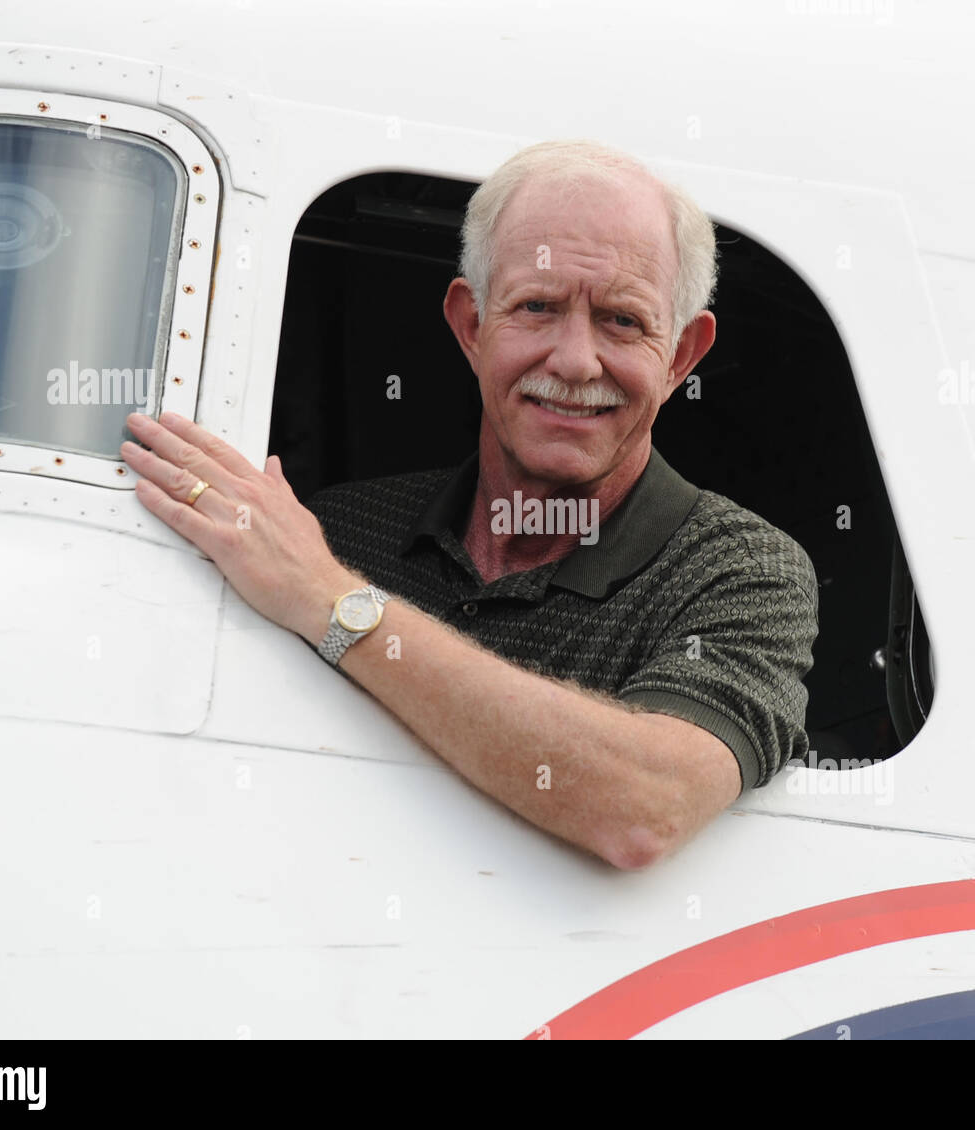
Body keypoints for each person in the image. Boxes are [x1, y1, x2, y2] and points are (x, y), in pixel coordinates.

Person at [123, 139, 819, 870]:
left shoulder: (743, 570)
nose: (576, 361)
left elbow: (642, 809)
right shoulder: (339, 526)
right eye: (538, 307)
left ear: (681, 357)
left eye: (622, 320)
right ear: (472, 327)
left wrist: (328, 600)